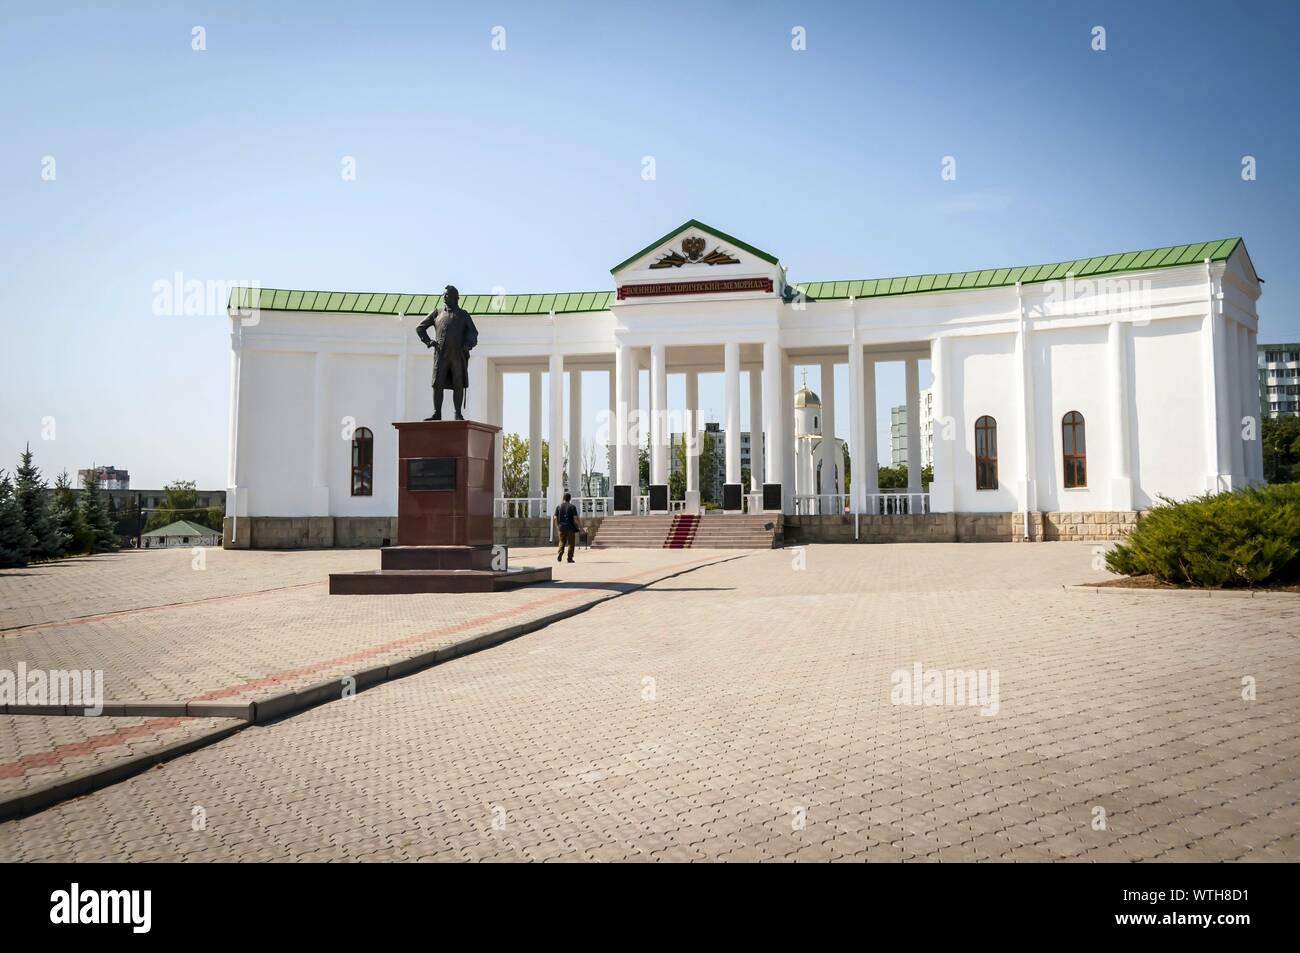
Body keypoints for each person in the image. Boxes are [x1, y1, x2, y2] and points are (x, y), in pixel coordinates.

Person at [416, 285, 479, 420]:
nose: (444, 297)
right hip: (441, 354)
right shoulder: (437, 313)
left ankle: (458, 413)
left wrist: (468, 344)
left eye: (447, 295)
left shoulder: (463, 315)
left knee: (458, 383)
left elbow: (473, 333)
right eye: (443, 294)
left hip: (457, 355)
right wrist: (429, 341)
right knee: (437, 384)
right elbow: (420, 328)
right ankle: (436, 413)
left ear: (455, 298)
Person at [554, 492, 582, 563]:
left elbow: (555, 517)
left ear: (563, 498)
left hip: (561, 527)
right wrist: (579, 527)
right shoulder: (572, 507)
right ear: (570, 499)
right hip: (570, 528)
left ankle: (560, 552)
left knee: (561, 541)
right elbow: (575, 518)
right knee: (571, 543)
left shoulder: (558, 506)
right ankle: (569, 558)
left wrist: (557, 526)